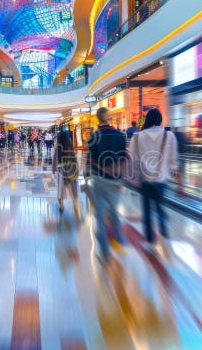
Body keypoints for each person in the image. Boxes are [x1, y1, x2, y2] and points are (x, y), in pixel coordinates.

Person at [129, 109, 178, 243]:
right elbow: (173, 161)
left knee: (147, 211)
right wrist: (174, 177)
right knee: (160, 208)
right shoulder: (170, 136)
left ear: (147, 120)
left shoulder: (137, 137)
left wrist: (133, 177)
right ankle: (165, 237)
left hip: (144, 180)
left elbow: (132, 159)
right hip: (161, 179)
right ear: (160, 120)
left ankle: (150, 240)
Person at [87, 107, 127, 263]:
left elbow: (92, 159)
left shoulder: (94, 137)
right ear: (109, 117)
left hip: (99, 179)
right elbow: (124, 157)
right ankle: (119, 238)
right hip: (116, 180)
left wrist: (86, 176)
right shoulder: (120, 136)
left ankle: (104, 253)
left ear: (97, 119)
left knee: (100, 214)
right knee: (114, 210)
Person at [53, 130, 80, 220]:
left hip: (62, 171)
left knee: (60, 190)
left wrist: (53, 169)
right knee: (73, 190)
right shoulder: (70, 146)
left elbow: (55, 159)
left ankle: (61, 206)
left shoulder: (58, 147)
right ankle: (76, 207)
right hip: (71, 170)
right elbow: (74, 158)